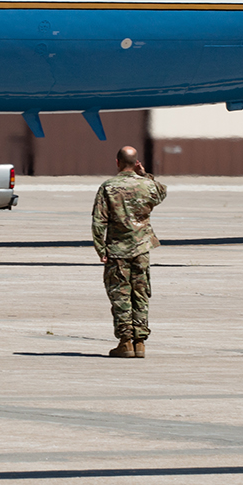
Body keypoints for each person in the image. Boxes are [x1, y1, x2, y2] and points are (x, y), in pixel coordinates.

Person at [91, 145, 167, 358]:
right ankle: (140, 342)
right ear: (136, 163)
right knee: (140, 294)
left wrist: (100, 248)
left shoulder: (108, 187)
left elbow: (99, 221)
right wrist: (145, 175)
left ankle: (126, 342)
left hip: (117, 251)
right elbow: (162, 193)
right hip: (142, 249)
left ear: (117, 162)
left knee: (120, 295)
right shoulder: (146, 185)